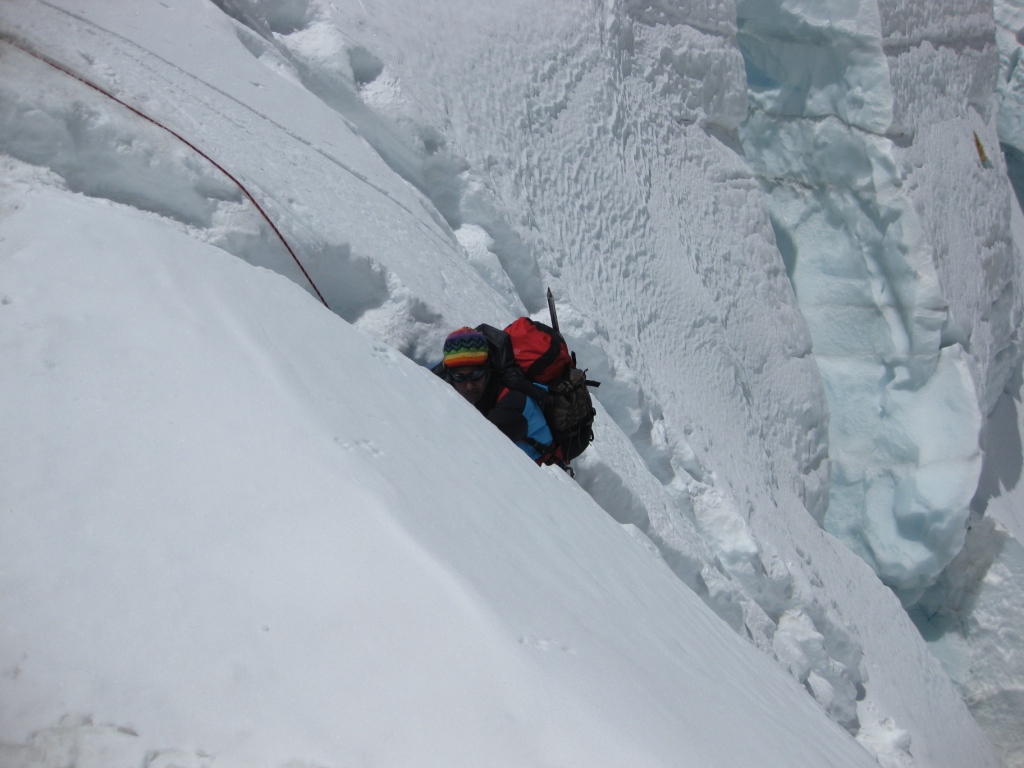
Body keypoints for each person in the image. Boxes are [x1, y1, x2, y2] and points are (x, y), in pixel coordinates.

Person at [433, 326, 554, 463]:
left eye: (476, 374)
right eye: (459, 377)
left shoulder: (512, 404)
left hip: (540, 466)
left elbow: (474, 452)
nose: (469, 385)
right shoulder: (466, 382)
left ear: (488, 369)